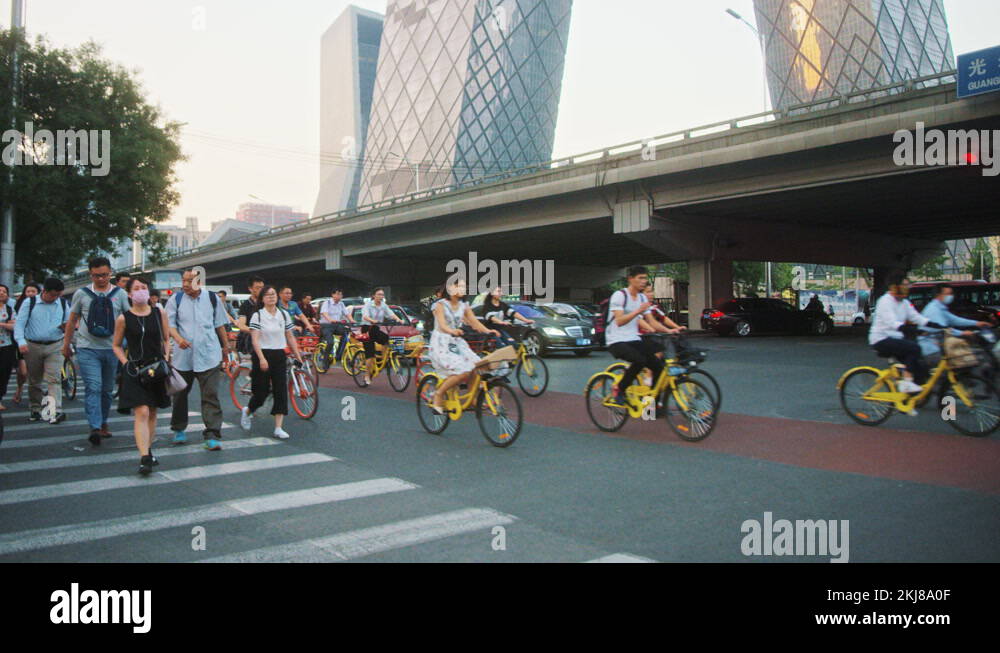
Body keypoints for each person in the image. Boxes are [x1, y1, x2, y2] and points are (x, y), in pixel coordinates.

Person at [63, 257, 133, 446]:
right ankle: (94, 426)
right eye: (96, 276)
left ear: (110, 273)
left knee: (107, 390)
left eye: (104, 275)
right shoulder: (81, 293)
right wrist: (66, 345)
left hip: (112, 349)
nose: (100, 279)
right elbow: (72, 320)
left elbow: (130, 319)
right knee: (93, 387)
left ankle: (103, 422)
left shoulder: (120, 294)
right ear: (90, 274)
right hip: (87, 349)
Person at [166, 268, 231, 451]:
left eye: (190, 281)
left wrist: (225, 346)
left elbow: (219, 324)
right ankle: (179, 429)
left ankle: (212, 434)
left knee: (210, 395)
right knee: (179, 395)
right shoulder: (175, 300)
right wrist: (178, 339)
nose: (185, 284)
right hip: (183, 357)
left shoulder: (212, 298)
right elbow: (169, 325)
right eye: (184, 281)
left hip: (209, 355)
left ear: (199, 281)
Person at [112, 277, 171, 476]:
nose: (141, 291)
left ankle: (148, 449)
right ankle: (144, 458)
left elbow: (166, 338)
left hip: (156, 368)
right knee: (142, 412)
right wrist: (125, 363)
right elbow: (116, 345)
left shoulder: (158, 312)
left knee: (153, 412)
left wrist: (166, 357)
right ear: (129, 294)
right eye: (136, 288)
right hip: (135, 370)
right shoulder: (124, 318)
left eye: (144, 288)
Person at [606, 267, 679, 407]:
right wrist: (638, 310)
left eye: (645, 278)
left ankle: (652, 406)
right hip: (616, 340)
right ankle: (619, 389)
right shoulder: (620, 295)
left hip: (634, 339)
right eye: (640, 278)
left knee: (659, 366)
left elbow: (652, 321)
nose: (643, 281)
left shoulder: (642, 298)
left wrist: (670, 331)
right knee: (640, 360)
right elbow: (619, 321)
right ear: (630, 279)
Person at [427, 278, 499, 414]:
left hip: (457, 342)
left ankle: (472, 400)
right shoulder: (440, 305)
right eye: (459, 286)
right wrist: (452, 331)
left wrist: (488, 331)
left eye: (464, 287)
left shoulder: (464, 305)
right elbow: (442, 325)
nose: (462, 289)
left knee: (477, 365)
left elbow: (474, 322)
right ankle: (439, 394)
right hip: (441, 342)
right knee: (462, 371)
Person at [240, 286, 303, 439]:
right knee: (261, 393)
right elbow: (255, 340)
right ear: (262, 299)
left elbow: (289, 336)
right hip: (262, 354)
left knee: (280, 391)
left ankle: (278, 427)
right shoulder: (258, 316)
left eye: (273, 294)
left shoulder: (284, 314)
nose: (271, 297)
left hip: (279, 354)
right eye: (267, 295)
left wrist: (298, 355)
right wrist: (261, 359)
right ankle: (248, 411)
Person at [14, 277, 69, 424]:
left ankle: (55, 411)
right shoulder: (30, 302)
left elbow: (69, 323)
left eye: (58, 295)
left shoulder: (63, 303)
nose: (55, 298)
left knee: (54, 378)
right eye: (52, 295)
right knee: (34, 380)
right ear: (44, 291)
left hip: (55, 345)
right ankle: (36, 408)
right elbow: (19, 324)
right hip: (32, 345)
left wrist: (67, 330)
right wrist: (21, 341)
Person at [868, 275, 932, 394]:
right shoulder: (885, 301)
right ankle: (906, 383)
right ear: (894, 287)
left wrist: (934, 325)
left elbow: (916, 317)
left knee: (919, 367)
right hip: (881, 339)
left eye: (908, 284)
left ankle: (909, 396)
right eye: (905, 284)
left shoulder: (904, 302)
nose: (907, 287)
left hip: (896, 338)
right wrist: (913, 330)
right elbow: (892, 323)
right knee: (914, 348)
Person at [918, 283, 991, 360]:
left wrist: (976, 323)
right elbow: (942, 329)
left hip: (938, 346)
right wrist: (962, 333)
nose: (950, 296)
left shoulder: (940, 307)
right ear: (938, 295)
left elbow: (954, 320)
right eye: (948, 294)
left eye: (951, 294)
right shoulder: (934, 310)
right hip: (931, 349)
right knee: (966, 360)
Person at [359, 287, 404, 386]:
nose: (381, 296)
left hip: (375, 329)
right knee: (370, 355)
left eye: (382, 295)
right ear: (373, 296)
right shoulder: (368, 305)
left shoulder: (383, 305)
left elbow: (391, 314)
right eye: (379, 294)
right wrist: (372, 320)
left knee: (387, 340)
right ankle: (366, 375)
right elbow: (365, 316)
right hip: (367, 329)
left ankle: (383, 361)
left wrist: (399, 320)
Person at [11, 283, 40, 405]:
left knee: (36, 372)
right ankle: (19, 388)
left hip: (37, 342)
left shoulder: (42, 305)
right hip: (22, 342)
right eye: (28, 291)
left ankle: (36, 399)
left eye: (33, 291)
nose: (30, 294)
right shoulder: (19, 305)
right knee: (23, 372)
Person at [318, 289, 352, 366]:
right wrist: (330, 320)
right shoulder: (327, 303)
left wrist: (352, 320)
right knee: (330, 342)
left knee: (346, 333)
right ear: (333, 295)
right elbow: (324, 313)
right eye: (338, 294)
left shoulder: (341, 304)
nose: (339, 296)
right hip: (326, 326)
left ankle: (339, 355)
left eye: (341, 294)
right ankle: (325, 361)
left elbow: (347, 314)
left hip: (336, 325)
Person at [236, 275, 266, 352]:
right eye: (257, 288)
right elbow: (241, 325)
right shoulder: (245, 305)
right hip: (251, 341)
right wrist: (257, 331)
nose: (261, 290)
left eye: (262, 287)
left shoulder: (267, 303)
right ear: (250, 289)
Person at [0, 284, 17, 412]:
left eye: (4, 291)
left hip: (6, 346)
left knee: (4, 373)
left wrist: (2, 324)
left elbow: (14, 326)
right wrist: (6, 324)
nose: (1, 293)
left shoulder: (10, 309)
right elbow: (9, 324)